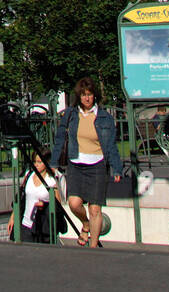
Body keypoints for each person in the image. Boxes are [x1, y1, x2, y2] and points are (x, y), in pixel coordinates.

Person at [51, 76, 123, 249]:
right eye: (83, 95)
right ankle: (86, 224)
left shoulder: (104, 117)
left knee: (95, 209)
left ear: (94, 96)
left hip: (97, 166)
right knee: (75, 203)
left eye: (90, 94)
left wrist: (116, 168)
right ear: (79, 96)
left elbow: (111, 145)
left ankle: (93, 246)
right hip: (76, 163)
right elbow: (60, 138)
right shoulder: (71, 114)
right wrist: (54, 162)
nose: (87, 98)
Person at [8, 148, 66, 243]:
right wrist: (13, 217)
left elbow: (58, 206)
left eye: (39, 162)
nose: (36, 165)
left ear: (46, 162)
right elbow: (21, 198)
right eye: (35, 161)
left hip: (42, 228)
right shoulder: (29, 175)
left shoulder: (51, 180)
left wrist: (45, 205)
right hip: (26, 225)